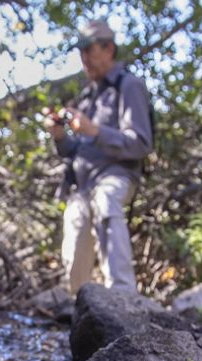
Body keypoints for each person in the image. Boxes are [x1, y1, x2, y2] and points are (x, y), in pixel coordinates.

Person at [41, 18, 153, 295]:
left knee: (105, 201)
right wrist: (59, 136)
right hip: (83, 183)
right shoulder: (87, 96)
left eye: (90, 50)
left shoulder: (129, 86)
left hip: (117, 175)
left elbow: (141, 143)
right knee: (76, 217)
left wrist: (94, 130)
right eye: (81, 52)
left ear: (109, 49)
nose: (84, 58)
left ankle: (124, 296)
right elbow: (74, 150)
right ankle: (77, 303)